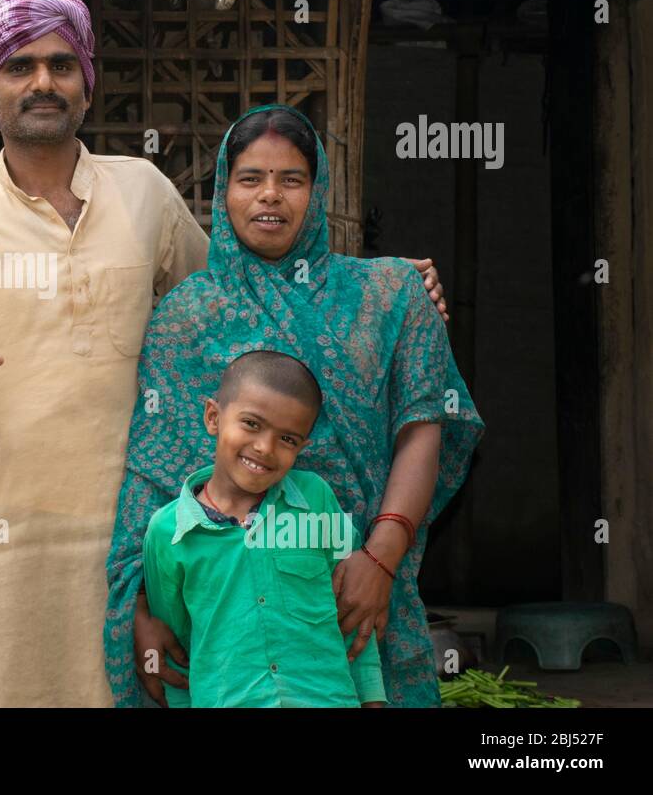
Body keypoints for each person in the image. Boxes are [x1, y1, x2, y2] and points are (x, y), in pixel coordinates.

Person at [0, 0, 449, 706]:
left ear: (86, 88)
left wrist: (381, 283)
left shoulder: (143, 195)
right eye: (19, 67)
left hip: (140, 545)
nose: (43, 82)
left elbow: (237, 301)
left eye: (62, 65)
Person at [106, 103, 484, 709]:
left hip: (358, 583)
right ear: (223, 191)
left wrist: (379, 561)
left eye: (292, 180)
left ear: (319, 189)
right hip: (225, 604)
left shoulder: (387, 295)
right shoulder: (185, 316)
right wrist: (144, 606)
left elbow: (423, 428)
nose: (270, 197)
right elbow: (154, 476)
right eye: (250, 178)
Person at [141, 349, 387, 708]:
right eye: (251, 424)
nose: (264, 448)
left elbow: (355, 612)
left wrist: (373, 700)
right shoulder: (167, 531)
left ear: (302, 446)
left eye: (287, 439)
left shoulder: (316, 500)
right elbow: (175, 643)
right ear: (213, 417)